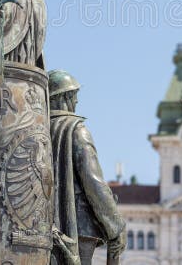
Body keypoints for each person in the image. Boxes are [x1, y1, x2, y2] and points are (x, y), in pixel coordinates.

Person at [49, 70, 126, 265]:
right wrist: (116, 227)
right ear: (66, 96)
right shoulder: (76, 129)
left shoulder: (37, 128)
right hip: (77, 229)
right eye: (74, 96)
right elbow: (94, 183)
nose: (76, 102)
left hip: (46, 229)